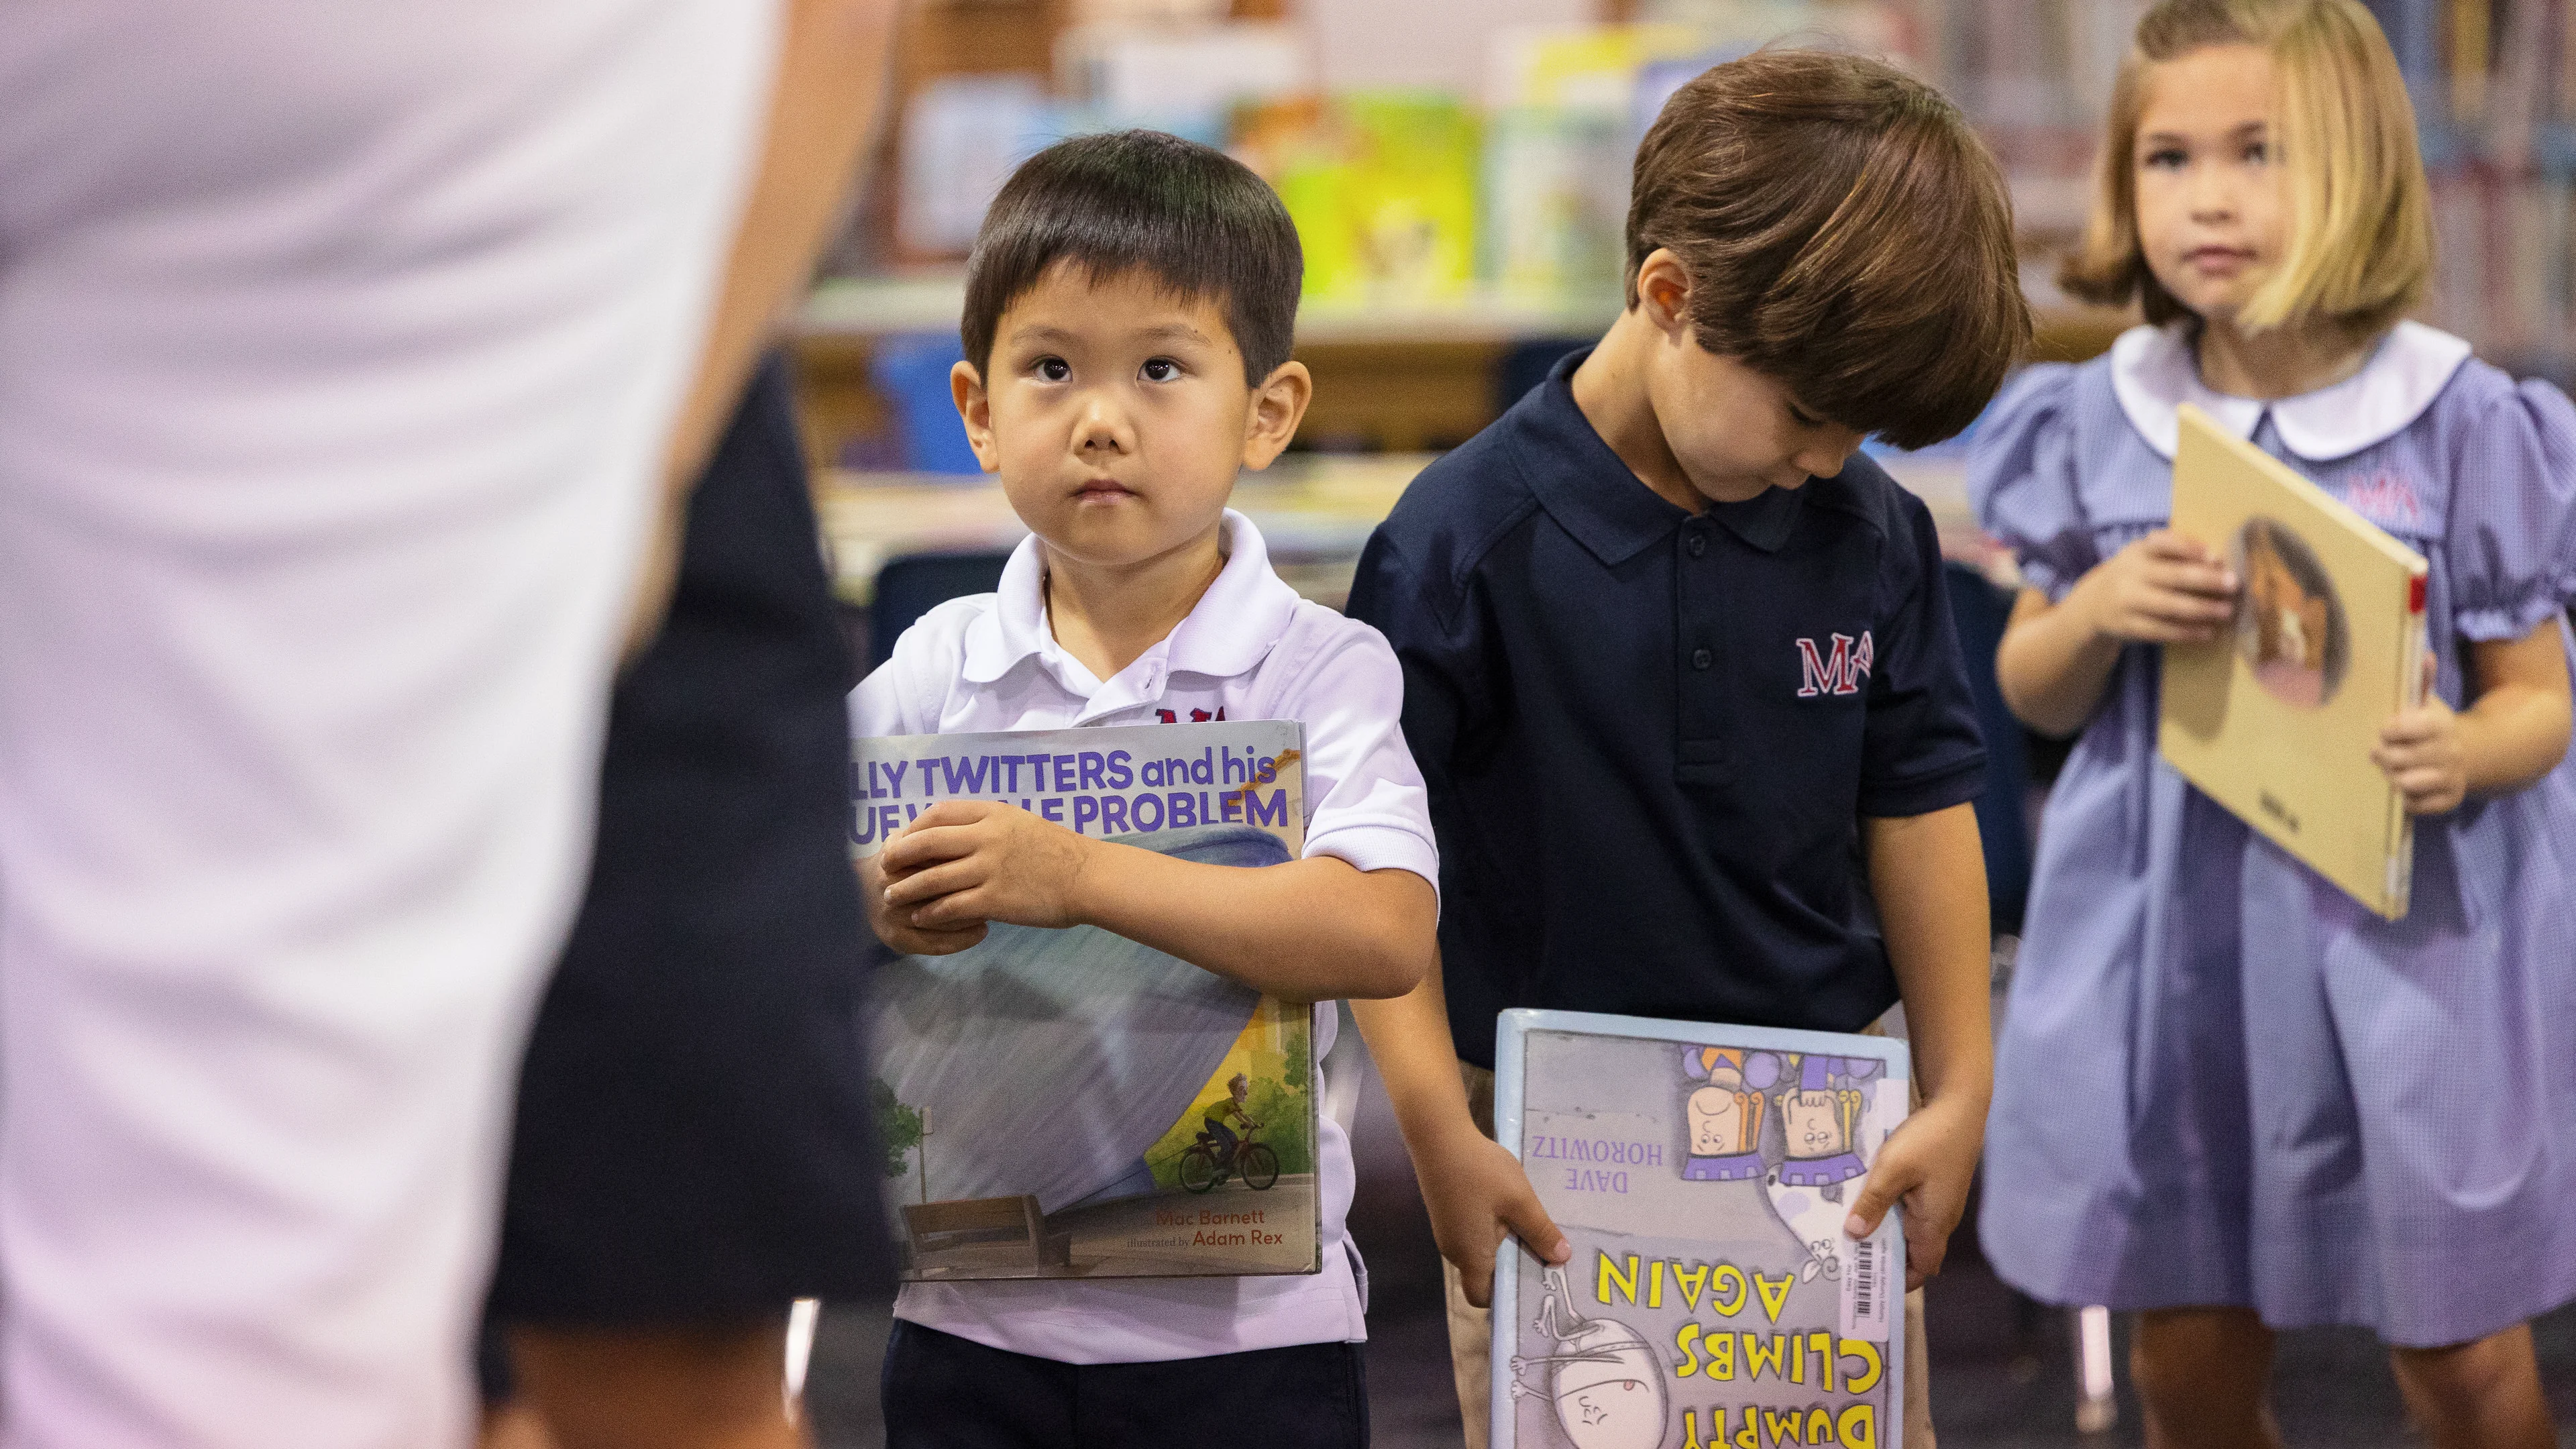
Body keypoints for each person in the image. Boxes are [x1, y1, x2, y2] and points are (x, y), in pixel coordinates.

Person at [0, 2, 885, 1442]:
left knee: (656, 1330)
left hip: (603, 314)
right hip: (339, 276)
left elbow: (833, 29)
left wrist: (642, 464)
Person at [1342, 48, 2028, 1449]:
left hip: (1819, 1147)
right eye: (1808, 415)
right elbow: (1367, 863)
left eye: (1859, 430)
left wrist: (1960, 1088)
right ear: (1671, 296)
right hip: (1542, 1145)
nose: (1828, 459)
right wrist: (1435, 1131)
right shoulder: (1456, 546)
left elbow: (1920, 806)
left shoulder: (1874, 532)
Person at [1969, 4, 2576, 1446]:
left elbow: (2539, 700)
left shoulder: (2458, 418)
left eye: (2261, 153)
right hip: (2170, 953)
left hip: (2409, 950)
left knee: (2460, 1356)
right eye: (2169, 158)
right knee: (2186, 1350)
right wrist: (2099, 608)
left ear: (2358, 166)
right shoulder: (2100, 415)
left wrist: (2465, 752)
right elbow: (2031, 684)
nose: (2210, 198)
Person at [850, 130, 1441, 1448]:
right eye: (1052, 369)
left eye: (1162, 369)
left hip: (1247, 1342)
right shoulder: (941, 666)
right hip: (969, 1323)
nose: (1101, 418)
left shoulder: (1318, 667)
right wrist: (872, 898)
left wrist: (1078, 879)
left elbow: (1384, 930)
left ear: (1268, 413)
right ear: (978, 411)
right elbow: (780, 875)